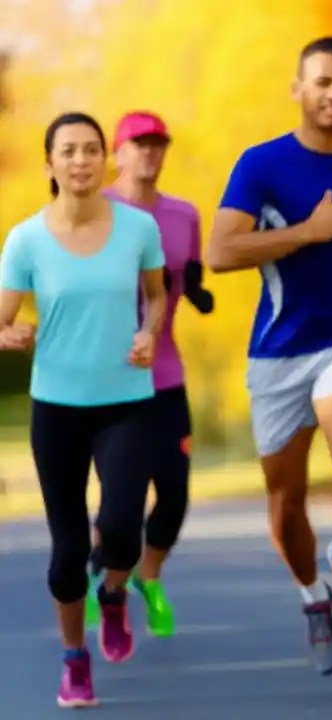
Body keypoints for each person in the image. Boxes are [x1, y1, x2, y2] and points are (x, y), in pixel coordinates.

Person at [207, 35, 332, 675]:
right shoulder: (262, 164)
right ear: (298, 89)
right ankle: (314, 598)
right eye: (322, 82)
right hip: (280, 349)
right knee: (285, 500)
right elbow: (221, 253)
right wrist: (309, 232)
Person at [0, 112, 167, 708]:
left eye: (92, 149)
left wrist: (150, 332)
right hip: (58, 409)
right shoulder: (25, 239)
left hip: (126, 401)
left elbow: (156, 295)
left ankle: (116, 594)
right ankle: (75, 658)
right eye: (68, 150)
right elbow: (3, 316)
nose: (81, 160)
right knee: (68, 550)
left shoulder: (138, 228)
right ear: (49, 164)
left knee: (123, 529)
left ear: (105, 159)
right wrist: (9, 334)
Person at [82, 110, 215, 638]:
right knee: (122, 497)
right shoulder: (96, 210)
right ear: (118, 153)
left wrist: (201, 291)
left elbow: (192, 272)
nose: (150, 153)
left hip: (166, 375)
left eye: (158, 144)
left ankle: (148, 575)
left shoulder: (183, 214)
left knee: (176, 492)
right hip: (107, 380)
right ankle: (103, 571)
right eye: (139, 144)